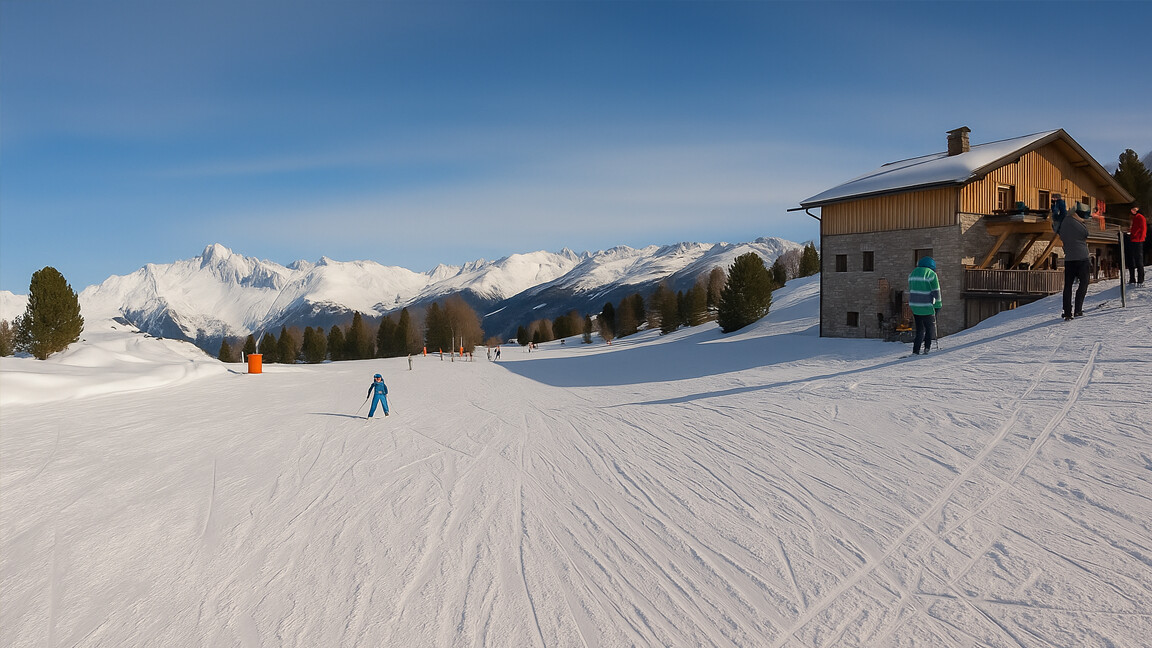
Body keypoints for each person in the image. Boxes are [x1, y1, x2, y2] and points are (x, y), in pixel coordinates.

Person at [1052, 196, 1091, 319]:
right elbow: (1086, 234)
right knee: (1084, 283)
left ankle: (1067, 312)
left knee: (1068, 287)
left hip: (1069, 259)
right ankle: (1078, 309)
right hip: (1082, 258)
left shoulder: (1062, 224)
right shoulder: (1077, 223)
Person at [908, 256, 942, 355]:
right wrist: (938, 305)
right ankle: (927, 348)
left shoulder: (912, 273)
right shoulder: (931, 274)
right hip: (927, 306)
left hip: (915, 306)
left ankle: (915, 350)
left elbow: (911, 289)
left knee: (919, 329)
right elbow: (936, 291)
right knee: (929, 328)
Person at [1126, 204, 1146, 285]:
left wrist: (1135, 235)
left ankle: (1140, 279)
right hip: (1135, 239)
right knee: (1133, 259)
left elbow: (1141, 228)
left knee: (1138, 260)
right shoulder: (1135, 217)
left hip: (1137, 240)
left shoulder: (1139, 217)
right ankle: (1133, 278)